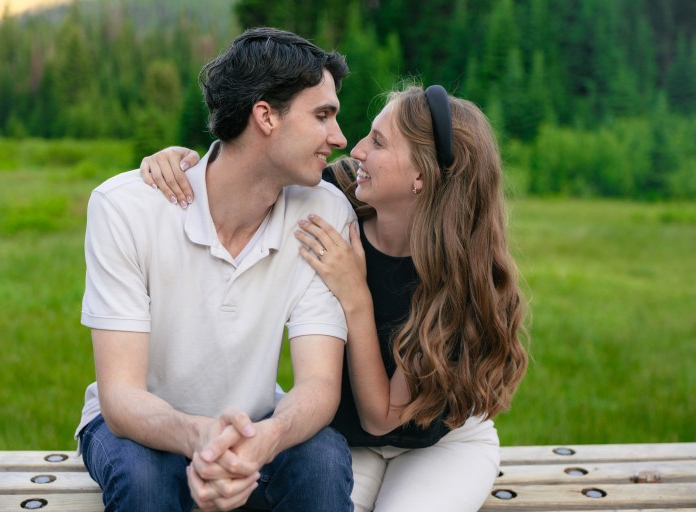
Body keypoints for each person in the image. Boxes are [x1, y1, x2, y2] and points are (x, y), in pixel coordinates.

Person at [143, 84, 529, 511]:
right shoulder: (334, 197)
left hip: (440, 443)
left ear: (421, 176)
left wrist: (356, 298)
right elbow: (250, 170)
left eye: (379, 142)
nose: (358, 150)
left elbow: (381, 417)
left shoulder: (455, 278)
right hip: (348, 441)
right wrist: (182, 161)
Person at [77, 27, 357, 512]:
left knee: (323, 462)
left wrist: (264, 439)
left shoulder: (325, 213)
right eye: (322, 115)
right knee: (146, 481)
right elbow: (120, 396)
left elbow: (319, 385)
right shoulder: (125, 207)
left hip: (255, 421)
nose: (340, 136)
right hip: (135, 427)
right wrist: (202, 437)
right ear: (265, 115)